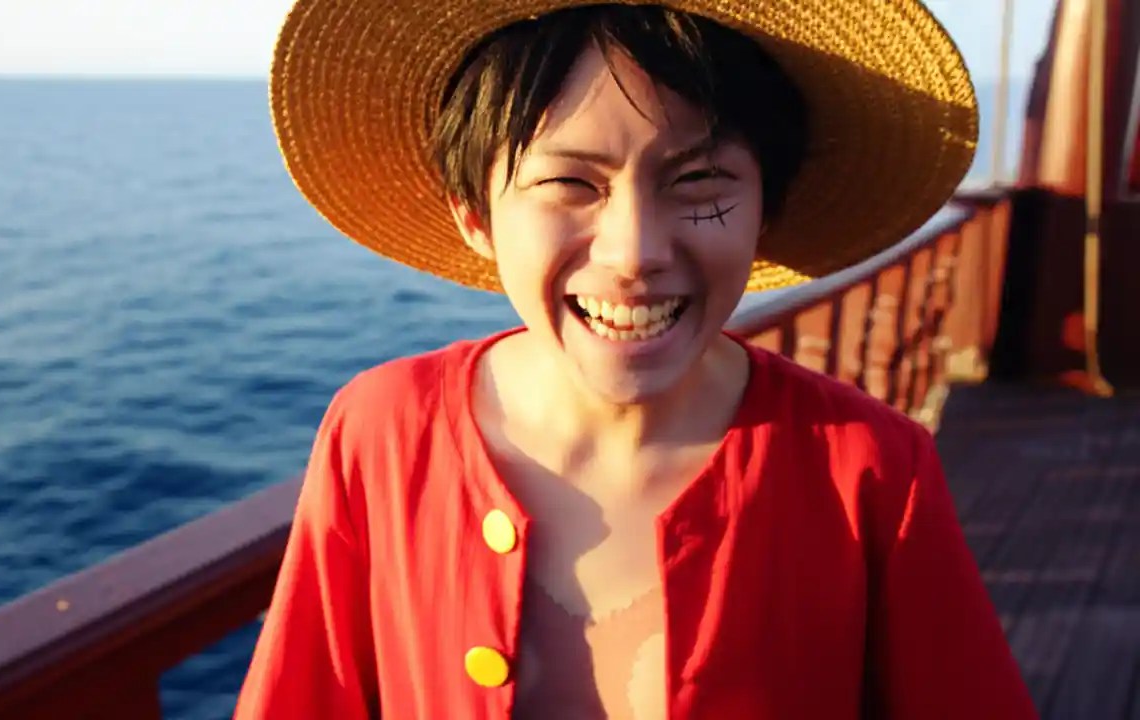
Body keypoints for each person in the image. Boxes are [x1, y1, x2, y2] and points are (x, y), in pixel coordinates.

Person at [235, 1, 1037, 718]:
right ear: (477, 217)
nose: (634, 252)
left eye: (699, 181)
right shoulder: (379, 430)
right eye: (569, 184)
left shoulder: (869, 466)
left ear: (766, 209)